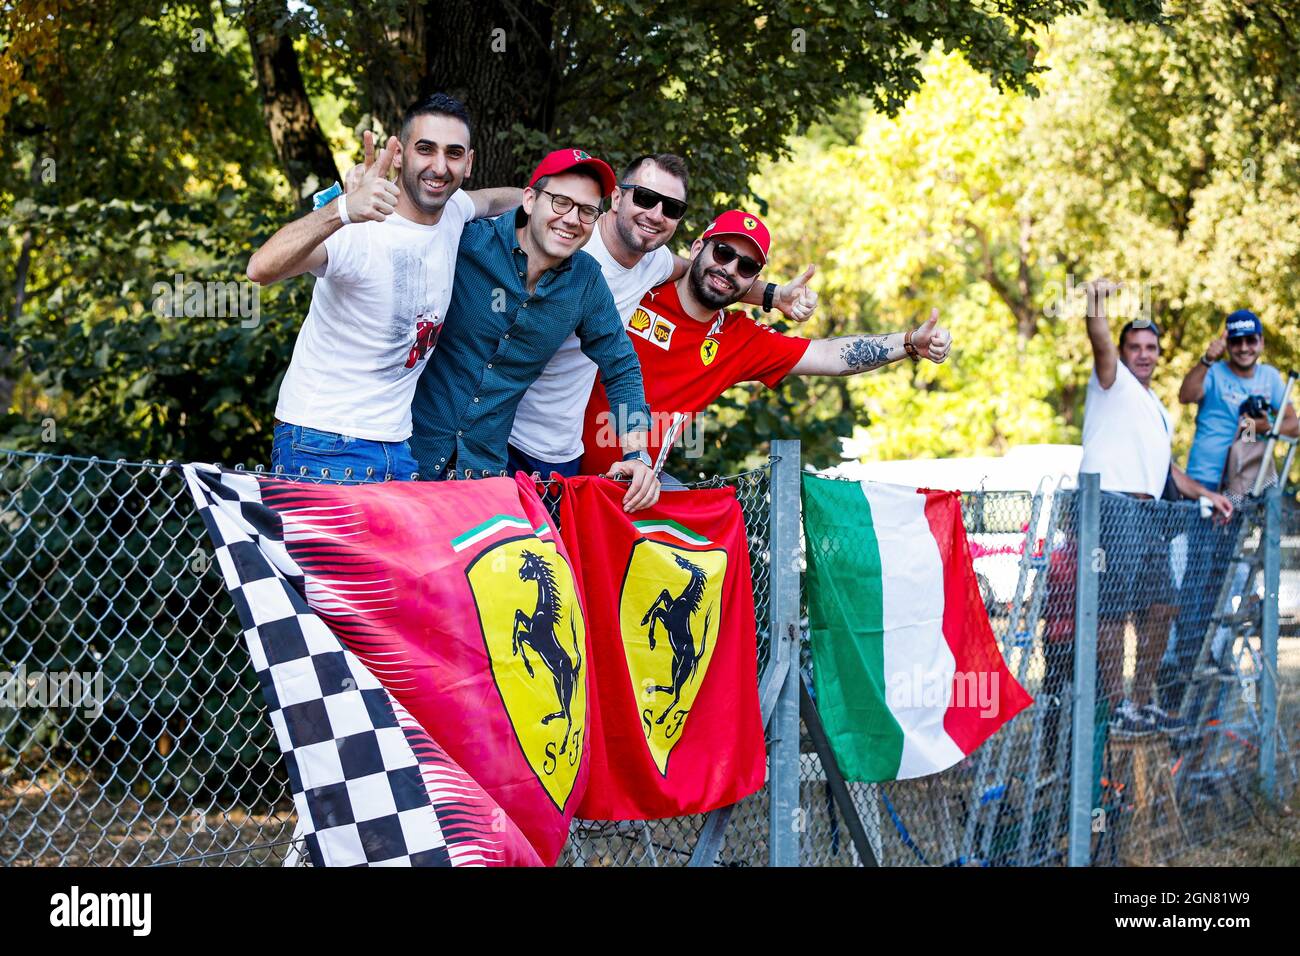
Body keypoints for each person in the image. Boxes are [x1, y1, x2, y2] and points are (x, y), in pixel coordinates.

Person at [246, 94, 519, 481]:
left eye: (453, 153)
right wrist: (341, 209)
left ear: (469, 163)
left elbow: (493, 200)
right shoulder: (360, 225)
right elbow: (260, 267)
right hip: (324, 440)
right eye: (425, 149)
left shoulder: (454, 210)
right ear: (401, 152)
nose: (439, 167)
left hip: (397, 445)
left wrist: (542, 201)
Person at [579, 209, 953, 478]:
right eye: (723, 253)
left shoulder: (738, 338)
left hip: (630, 486)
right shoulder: (641, 282)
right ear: (696, 249)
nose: (729, 269)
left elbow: (827, 356)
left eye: (747, 267)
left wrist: (908, 343)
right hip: (556, 468)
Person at [507, 154, 818, 477]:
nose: (656, 214)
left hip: (559, 454)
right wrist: (465, 203)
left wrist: (773, 295)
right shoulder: (569, 242)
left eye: (671, 208)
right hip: (497, 434)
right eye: (645, 198)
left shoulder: (655, 264)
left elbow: (710, 275)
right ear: (616, 197)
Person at [407, 148, 661, 511]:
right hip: (407, 458)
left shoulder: (586, 282)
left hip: (483, 481)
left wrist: (637, 454)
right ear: (530, 199)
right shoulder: (468, 243)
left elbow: (621, 367)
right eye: (560, 202)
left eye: (586, 210)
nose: (571, 219)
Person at [1078, 280, 1232, 732]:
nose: (1143, 354)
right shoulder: (1111, 380)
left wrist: (1210, 493)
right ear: (1123, 352)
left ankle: (1143, 701)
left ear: (1159, 354)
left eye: (1151, 347)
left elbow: (1171, 473)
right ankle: (1118, 704)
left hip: (1148, 517)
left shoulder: (1157, 408)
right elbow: (1098, 336)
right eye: (1135, 346)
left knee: (1163, 606)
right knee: (1111, 611)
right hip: (1110, 506)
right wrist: (1095, 301)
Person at [1179, 309, 1298, 491]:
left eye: (1250, 340)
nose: (1243, 348)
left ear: (1261, 342)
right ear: (1226, 344)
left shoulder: (1270, 377)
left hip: (1246, 481)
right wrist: (1207, 359)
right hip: (1204, 477)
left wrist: (1267, 428)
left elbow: (1294, 426)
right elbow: (1185, 397)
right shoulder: (1213, 371)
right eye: (1236, 341)